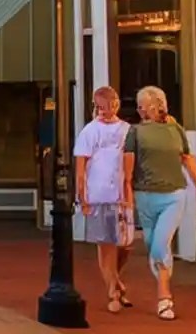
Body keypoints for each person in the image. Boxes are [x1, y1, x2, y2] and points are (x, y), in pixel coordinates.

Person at [123, 85, 196, 321]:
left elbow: (188, 161)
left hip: (174, 195)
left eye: (142, 103)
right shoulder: (135, 132)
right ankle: (164, 283)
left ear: (155, 104)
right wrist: (127, 198)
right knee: (154, 245)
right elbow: (128, 171)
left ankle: (164, 297)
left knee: (160, 243)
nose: (139, 108)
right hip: (145, 196)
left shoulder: (176, 129)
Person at [74, 86, 133, 313]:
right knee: (105, 244)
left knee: (125, 243)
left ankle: (116, 280)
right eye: (98, 107)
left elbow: (130, 167)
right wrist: (83, 196)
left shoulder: (126, 130)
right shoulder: (89, 131)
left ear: (115, 105)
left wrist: (129, 193)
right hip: (97, 194)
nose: (102, 111)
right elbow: (81, 167)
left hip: (120, 195)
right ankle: (113, 291)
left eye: (106, 107)